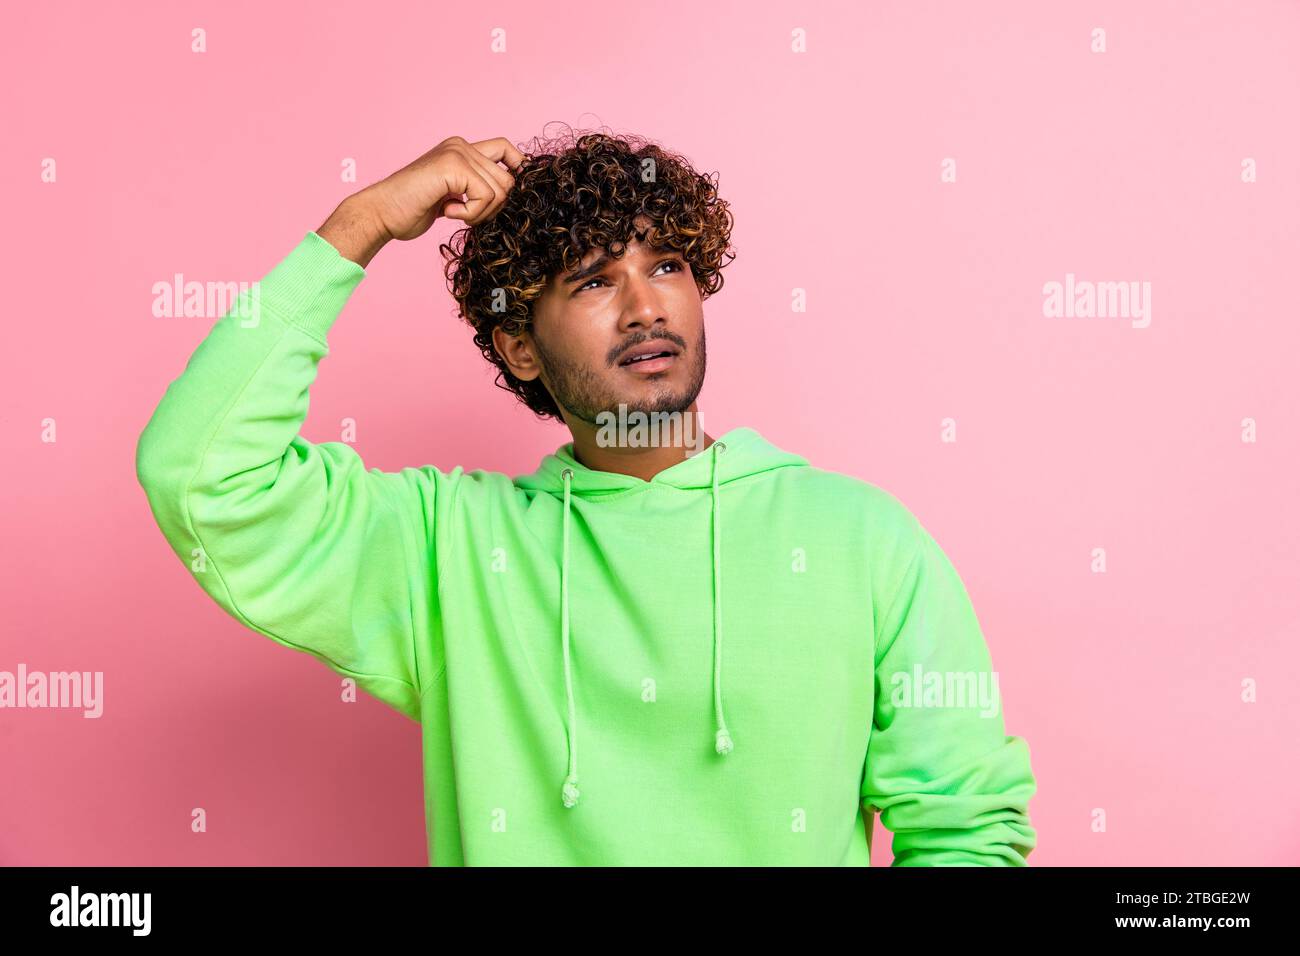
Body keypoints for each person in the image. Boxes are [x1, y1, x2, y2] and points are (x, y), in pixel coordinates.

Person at [135, 129, 1037, 866]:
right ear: (520, 348)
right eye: (596, 280)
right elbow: (199, 473)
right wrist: (359, 221)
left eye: (669, 267)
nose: (646, 307)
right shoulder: (446, 549)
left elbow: (966, 828)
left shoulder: (862, 539)